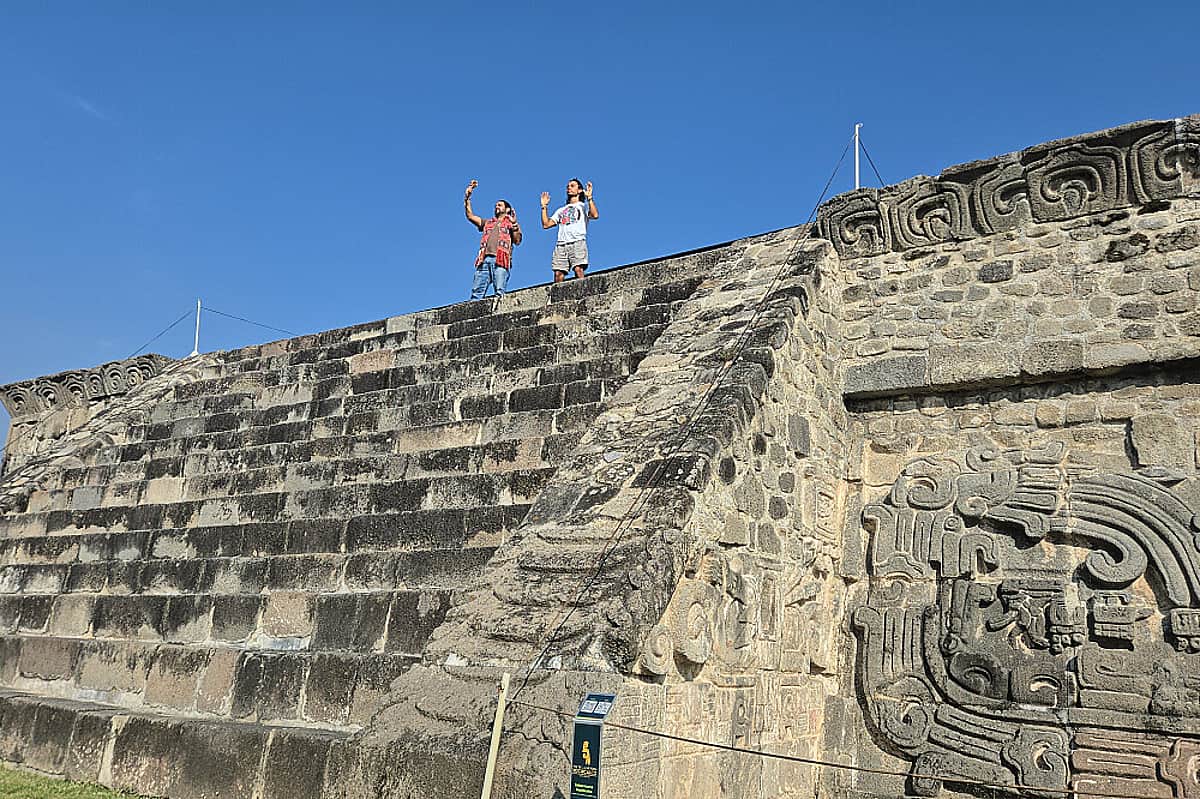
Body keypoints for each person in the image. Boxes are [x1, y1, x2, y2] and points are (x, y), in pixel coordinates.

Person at [464, 180, 522, 300]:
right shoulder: (488, 222)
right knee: (476, 293)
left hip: (500, 259)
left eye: (500, 205)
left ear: (507, 209)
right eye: (496, 205)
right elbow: (470, 216)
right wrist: (467, 199)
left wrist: (515, 224)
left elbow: (517, 240)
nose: (496, 206)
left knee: (499, 292)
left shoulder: (511, 223)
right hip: (484, 260)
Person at [541, 178, 598, 282]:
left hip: (577, 241)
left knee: (578, 269)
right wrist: (544, 207)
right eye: (568, 186)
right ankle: (559, 297)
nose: (569, 188)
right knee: (558, 274)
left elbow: (594, 215)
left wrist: (589, 198)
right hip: (561, 244)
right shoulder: (561, 210)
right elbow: (546, 224)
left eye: (572, 186)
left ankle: (583, 293)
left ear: (579, 190)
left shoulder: (583, 206)